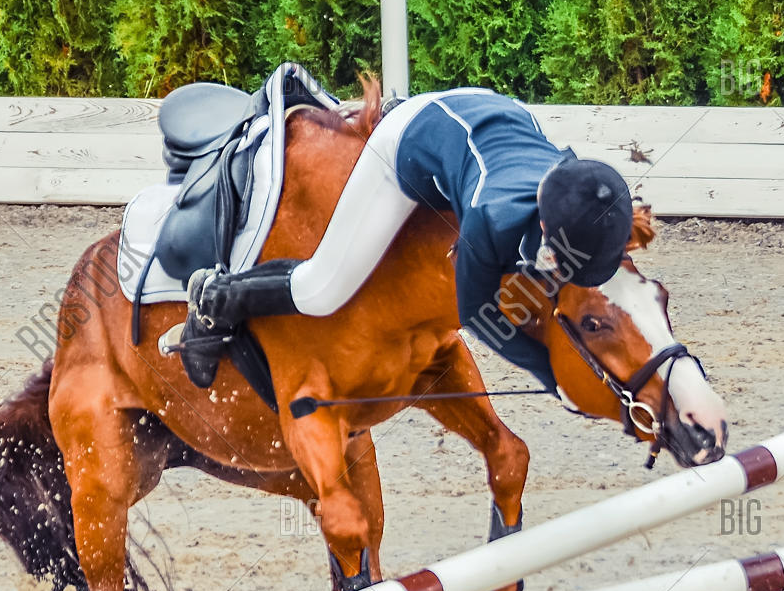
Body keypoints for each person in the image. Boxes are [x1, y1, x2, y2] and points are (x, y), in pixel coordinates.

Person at [179, 86, 637, 391]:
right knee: (321, 289)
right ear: (542, 226)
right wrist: (552, 376)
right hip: (408, 143)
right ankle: (215, 298)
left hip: (483, 109)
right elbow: (478, 315)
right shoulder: (489, 216)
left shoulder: (580, 182)